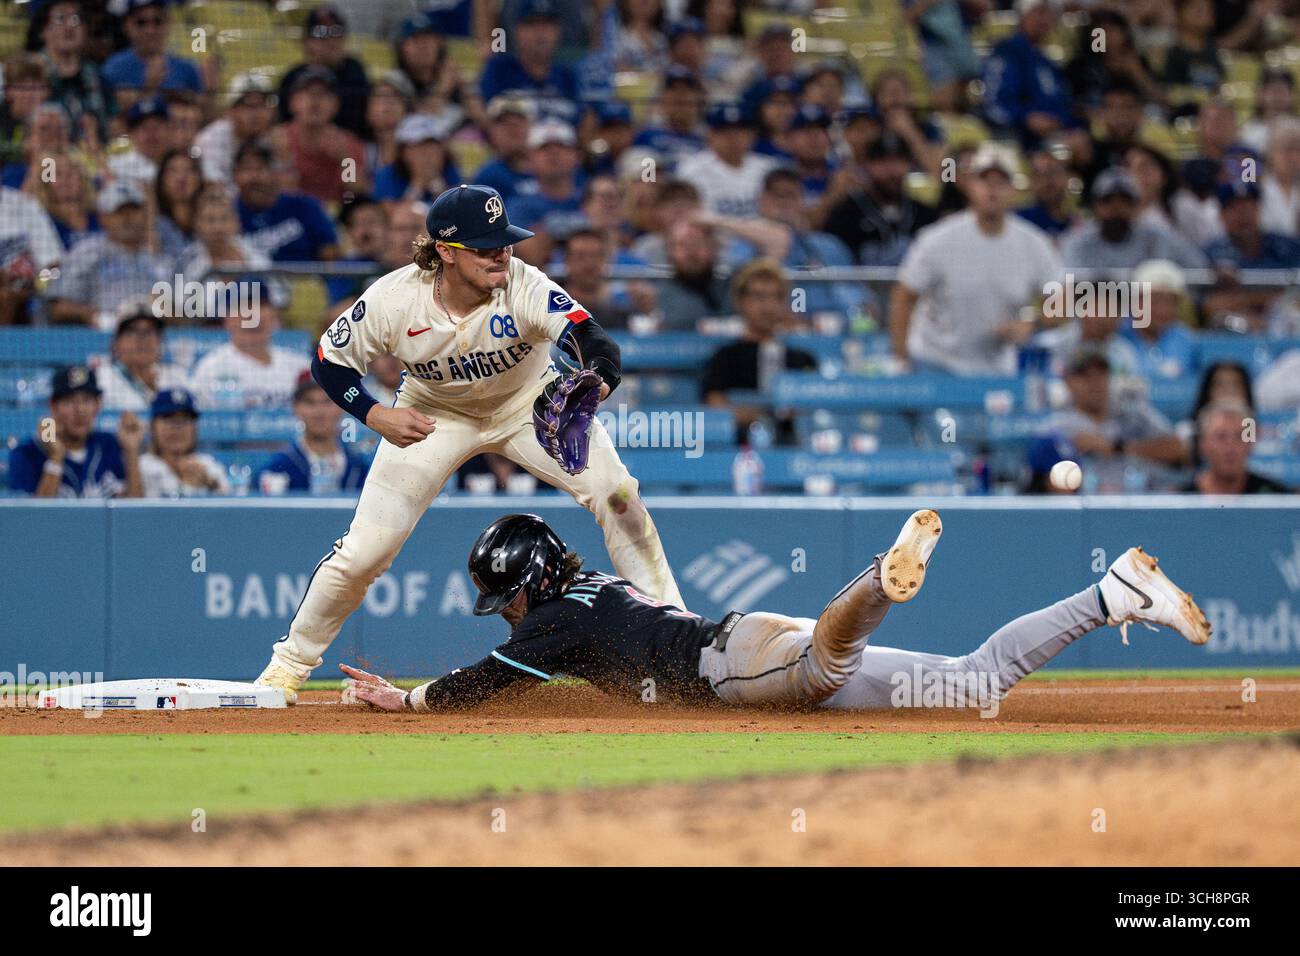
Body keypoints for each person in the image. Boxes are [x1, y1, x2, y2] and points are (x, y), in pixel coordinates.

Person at [251, 184, 684, 703]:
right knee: (366, 551)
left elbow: (594, 339)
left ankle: (674, 646)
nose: (501, 254)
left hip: (529, 408)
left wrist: (596, 382)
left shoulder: (524, 283)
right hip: (434, 415)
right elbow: (327, 361)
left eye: (504, 242)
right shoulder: (394, 299)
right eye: (484, 247)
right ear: (445, 253)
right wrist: (374, 413)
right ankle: (285, 669)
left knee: (619, 496)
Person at [341, 510, 1210, 713]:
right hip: (743, 643)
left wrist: (404, 700)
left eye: (508, 596)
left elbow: (485, 681)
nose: (507, 614)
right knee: (975, 687)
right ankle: (1112, 593)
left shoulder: (555, 619)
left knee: (822, 663)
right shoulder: (587, 594)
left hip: (734, 666)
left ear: (529, 579)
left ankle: (881, 574)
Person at [890, 143, 1063, 374]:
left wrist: (1032, 324)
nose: (992, 191)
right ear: (970, 185)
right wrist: (901, 358)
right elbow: (904, 296)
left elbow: (1063, 302)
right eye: (984, 181)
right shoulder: (938, 239)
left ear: (1013, 190)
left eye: (1001, 183)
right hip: (935, 364)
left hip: (997, 371)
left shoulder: (1033, 244)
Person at [700, 259, 817, 446]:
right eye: (759, 297)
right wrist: (767, 413)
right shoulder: (724, 358)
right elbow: (716, 408)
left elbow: (812, 408)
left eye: (776, 297)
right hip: (737, 452)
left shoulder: (801, 359)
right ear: (740, 301)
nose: (768, 307)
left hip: (794, 451)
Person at [1043, 347, 1189, 491]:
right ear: (1067, 381)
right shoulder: (1057, 426)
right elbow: (1046, 484)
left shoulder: (1133, 412)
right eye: (1084, 375)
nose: (1095, 383)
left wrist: (1115, 447)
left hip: (1143, 499)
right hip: (1088, 505)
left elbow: (1179, 448)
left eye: (1101, 374)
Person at [45, 180, 173, 330]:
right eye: (119, 212)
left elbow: (186, 310)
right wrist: (88, 314)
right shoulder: (86, 252)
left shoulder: (163, 256)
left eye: (133, 211)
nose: (127, 218)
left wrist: (170, 311)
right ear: (103, 218)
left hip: (155, 334)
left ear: (145, 215)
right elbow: (57, 308)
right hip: (99, 335)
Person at [8, 365, 143, 498]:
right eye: (69, 401)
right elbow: (32, 517)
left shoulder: (109, 444)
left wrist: (132, 452)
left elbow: (134, 514)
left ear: (97, 406)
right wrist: (55, 456)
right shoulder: (26, 453)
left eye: (87, 400)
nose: (80, 411)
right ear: (53, 407)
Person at [189, 276, 309, 409]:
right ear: (226, 318)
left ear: (274, 316)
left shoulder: (300, 366)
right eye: (243, 307)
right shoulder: (209, 369)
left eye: (259, 306)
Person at [1061, 168, 1209, 271]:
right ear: (1095, 206)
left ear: (1137, 206)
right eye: (1108, 200)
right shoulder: (1078, 243)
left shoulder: (1158, 237)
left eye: (1125, 200)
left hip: (1150, 313)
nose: (1117, 207)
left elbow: (1200, 269)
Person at [255, 374, 370, 495]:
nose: (319, 412)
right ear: (296, 408)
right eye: (310, 402)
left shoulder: (360, 469)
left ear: (342, 406)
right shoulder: (279, 467)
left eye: (328, 401)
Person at [233, 141, 340, 263]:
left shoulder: (303, 205)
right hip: (253, 281)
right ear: (235, 175)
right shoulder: (228, 214)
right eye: (246, 170)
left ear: (274, 173)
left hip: (305, 278)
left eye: (260, 168)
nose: (253, 177)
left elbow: (330, 253)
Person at [276, 4, 371, 139]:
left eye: (337, 31)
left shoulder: (355, 72)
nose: (331, 40)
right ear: (306, 41)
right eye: (321, 32)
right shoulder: (292, 78)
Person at [674, 103, 778, 219]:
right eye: (724, 132)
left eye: (740, 132)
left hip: (761, 235)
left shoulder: (769, 168)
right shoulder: (691, 169)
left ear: (752, 135)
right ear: (710, 135)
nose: (733, 138)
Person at [101, 0, 203, 110]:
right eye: (141, 23)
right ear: (127, 26)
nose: (150, 30)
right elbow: (110, 118)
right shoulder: (113, 69)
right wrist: (148, 88)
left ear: (168, 24)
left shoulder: (187, 69)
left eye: (158, 22)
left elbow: (202, 117)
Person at [95, 299, 187, 411]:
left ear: (160, 340)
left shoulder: (177, 377)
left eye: (150, 331)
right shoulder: (102, 380)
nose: (143, 340)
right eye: (133, 331)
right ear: (116, 342)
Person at [1181, 401, 1292, 494]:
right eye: (1221, 436)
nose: (1230, 446)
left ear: (1250, 444)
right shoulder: (1181, 500)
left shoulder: (1275, 497)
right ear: (1202, 444)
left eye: (1240, 436)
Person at [138, 388, 229, 498]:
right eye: (169, 419)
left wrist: (209, 484)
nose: (177, 428)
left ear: (195, 428)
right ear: (153, 426)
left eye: (185, 420)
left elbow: (231, 507)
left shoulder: (208, 465)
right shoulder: (140, 467)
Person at [195, 73, 278, 184]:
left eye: (261, 105)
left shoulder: (275, 138)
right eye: (248, 106)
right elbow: (216, 188)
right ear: (231, 111)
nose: (256, 114)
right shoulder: (211, 139)